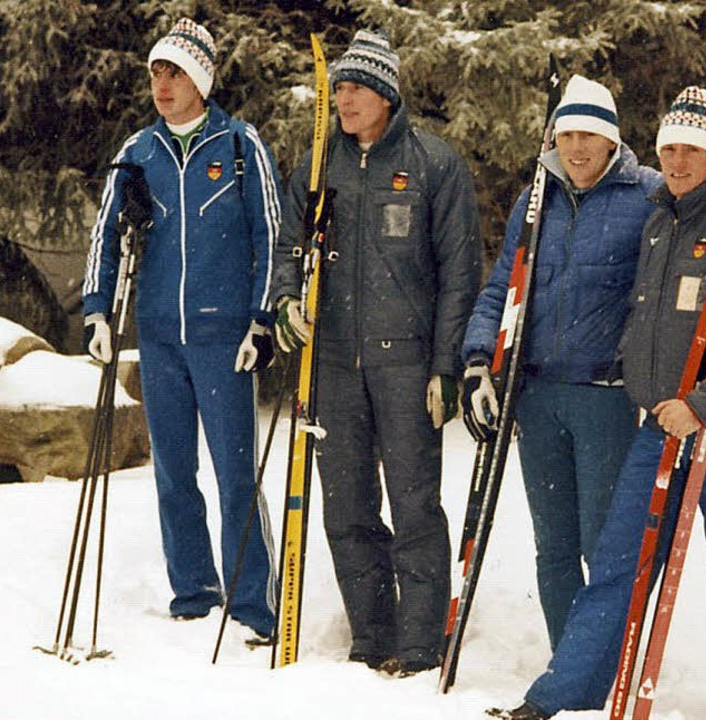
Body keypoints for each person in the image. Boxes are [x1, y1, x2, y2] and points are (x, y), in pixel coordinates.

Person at [490, 86, 706, 720]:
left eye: (692, 150)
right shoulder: (660, 219)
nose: (679, 161)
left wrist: (705, 404)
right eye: (669, 149)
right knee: (615, 565)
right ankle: (567, 694)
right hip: (660, 426)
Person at [270, 29, 481, 675]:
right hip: (331, 360)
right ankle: (370, 633)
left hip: (406, 363)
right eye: (339, 89)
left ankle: (419, 641)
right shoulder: (316, 163)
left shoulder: (432, 164)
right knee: (346, 503)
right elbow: (286, 246)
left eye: (358, 87)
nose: (345, 99)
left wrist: (446, 367)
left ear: (387, 95)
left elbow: (460, 274)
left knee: (415, 504)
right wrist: (284, 301)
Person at [82, 18, 282, 642]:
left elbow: (271, 236)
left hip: (225, 337)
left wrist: (263, 318)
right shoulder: (138, 152)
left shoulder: (241, 144)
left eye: (175, 74)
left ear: (201, 80)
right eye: (156, 74)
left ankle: (251, 602)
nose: (162, 86)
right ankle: (193, 590)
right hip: (160, 334)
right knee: (172, 469)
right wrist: (95, 310)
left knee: (235, 472)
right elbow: (105, 236)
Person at [460, 75, 662, 649]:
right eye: (567, 134)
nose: (577, 148)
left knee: (603, 542)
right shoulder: (536, 199)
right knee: (554, 544)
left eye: (589, 136)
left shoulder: (647, 195)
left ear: (612, 141)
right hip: (538, 395)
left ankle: (602, 666)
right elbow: (503, 285)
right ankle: (564, 663)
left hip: (605, 396)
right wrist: (479, 361)